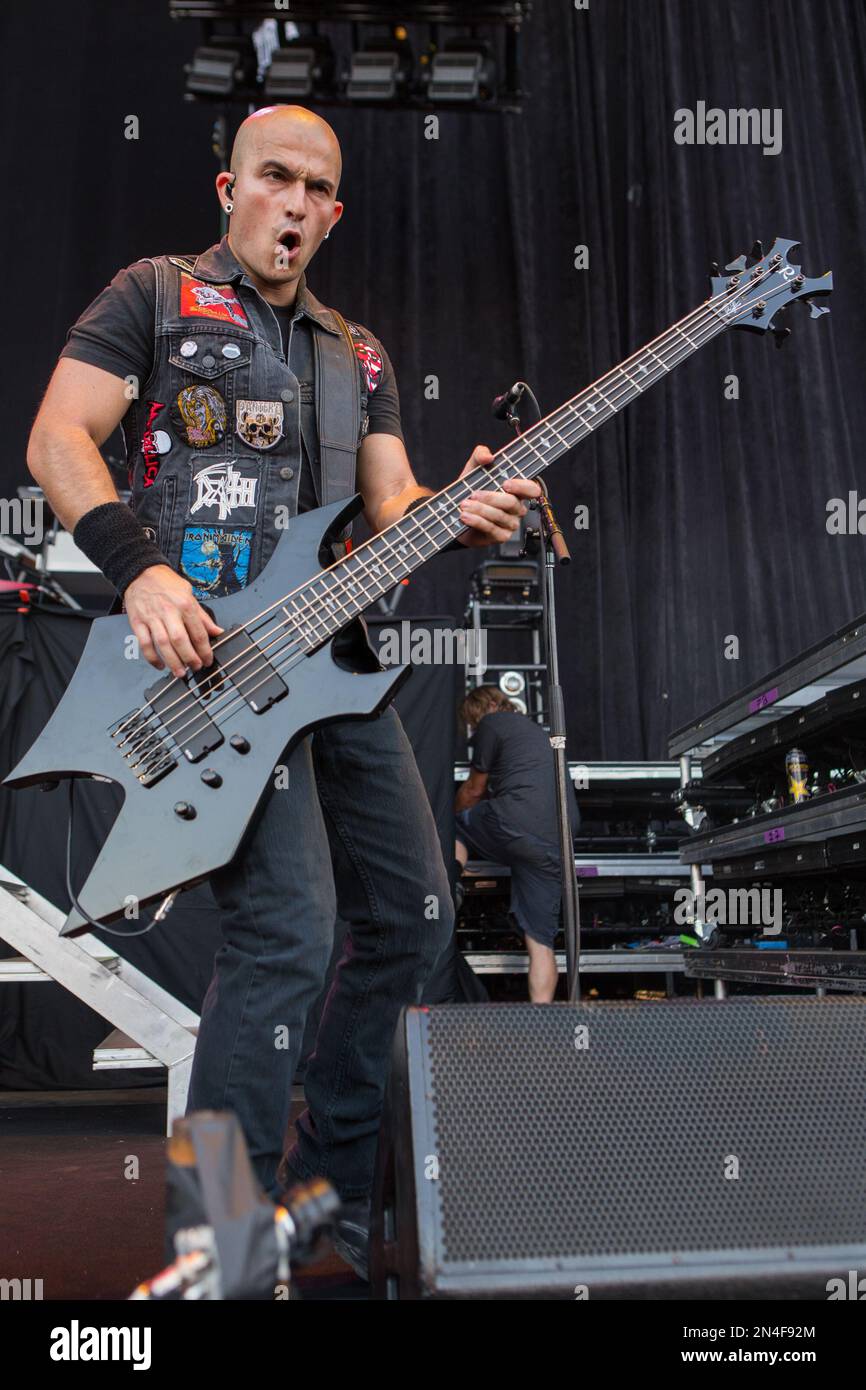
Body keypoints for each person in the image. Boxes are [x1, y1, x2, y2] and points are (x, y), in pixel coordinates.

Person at [25, 104, 541, 1279]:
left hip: (337, 669)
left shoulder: (357, 353)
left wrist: (461, 510)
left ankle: (330, 1194)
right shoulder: (153, 294)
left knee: (415, 917)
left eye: (316, 189)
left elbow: (391, 504)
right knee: (284, 932)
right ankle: (218, 1236)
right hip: (211, 667)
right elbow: (59, 439)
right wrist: (140, 569)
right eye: (274, 178)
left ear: (334, 212)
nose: (294, 203)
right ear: (230, 189)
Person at [455, 686, 578, 1003]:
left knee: (453, 822)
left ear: (483, 708)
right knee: (541, 943)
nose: (473, 726)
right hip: (557, 838)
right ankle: (542, 1022)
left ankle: (450, 889)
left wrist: (454, 809)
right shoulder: (538, 733)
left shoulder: (492, 723)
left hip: (517, 822)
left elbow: (473, 790)